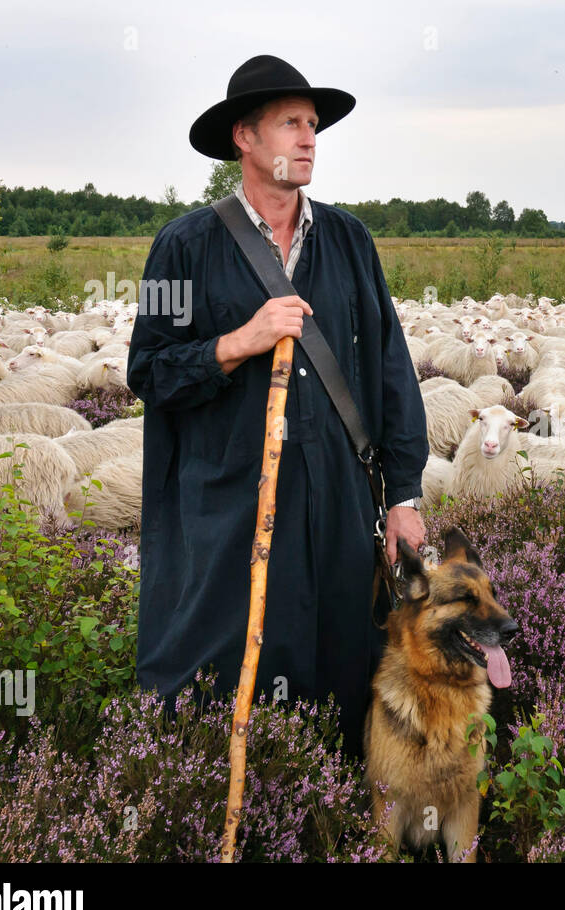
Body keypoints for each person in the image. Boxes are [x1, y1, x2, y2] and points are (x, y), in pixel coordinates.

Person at [127, 55, 428, 758]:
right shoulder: (185, 246)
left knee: (342, 662)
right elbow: (148, 369)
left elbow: (391, 369)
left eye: (313, 126)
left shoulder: (350, 242)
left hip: (337, 505)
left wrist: (404, 496)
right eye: (291, 123)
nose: (308, 139)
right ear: (245, 137)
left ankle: (324, 808)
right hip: (228, 509)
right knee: (223, 669)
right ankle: (223, 804)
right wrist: (237, 342)